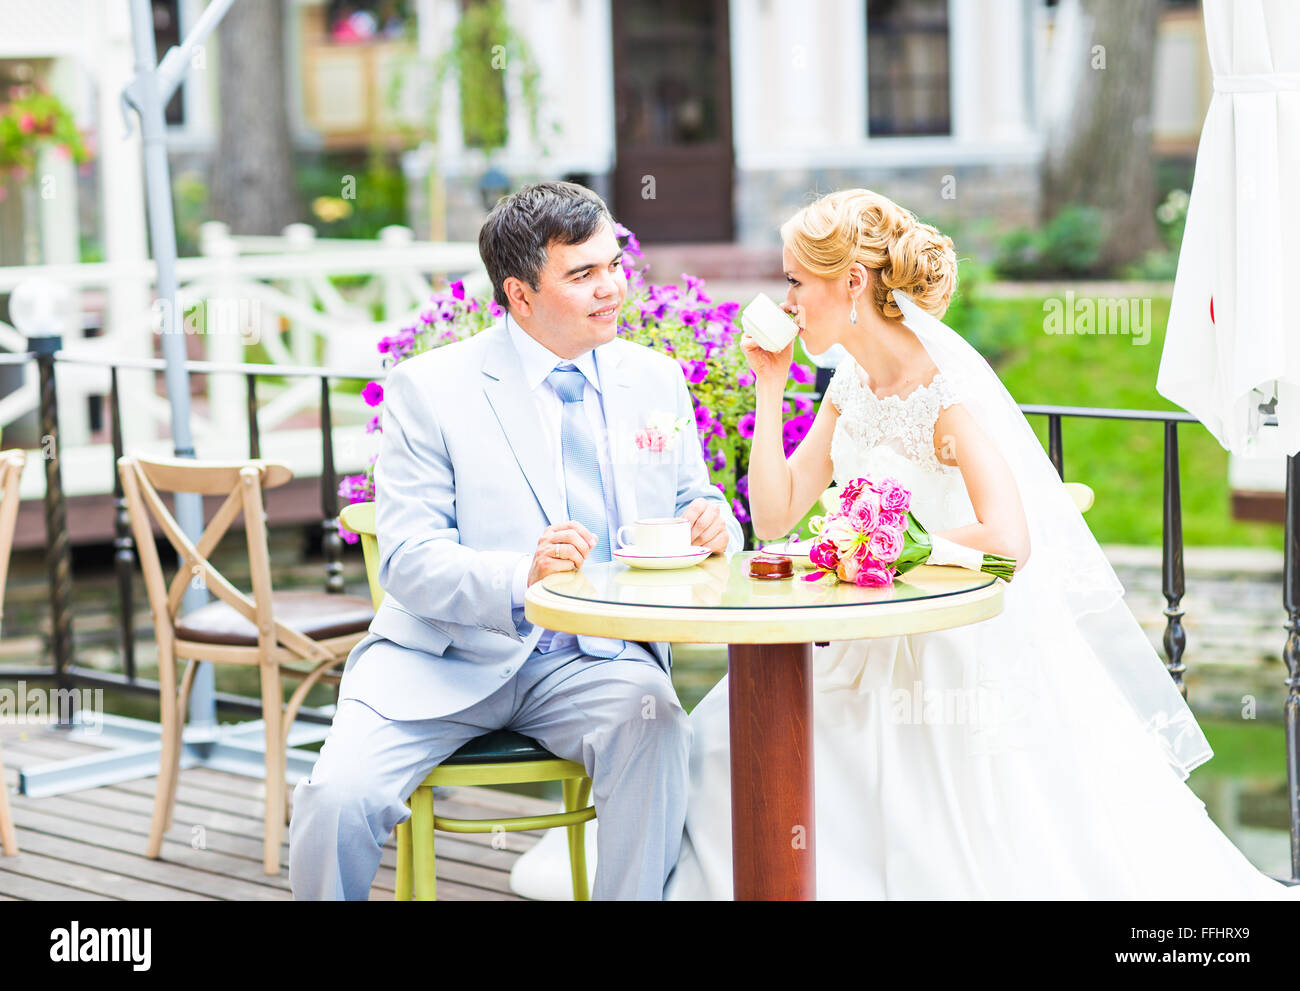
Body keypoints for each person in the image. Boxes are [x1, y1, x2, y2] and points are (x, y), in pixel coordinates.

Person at [664, 188, 1299, 899]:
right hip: (857, 640)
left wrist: (885, 546)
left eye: (793, 281)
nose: (784, 300)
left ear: (849, 283)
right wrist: (770, 388)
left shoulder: (947, 392)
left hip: (946, 647)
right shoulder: (850, 382)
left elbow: (1009, 537)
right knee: (723, 738)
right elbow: (776, 516)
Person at [288, 181, 743, 900]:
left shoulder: (654, 380)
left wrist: (718, 519)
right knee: (336, 798)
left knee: (657, 727)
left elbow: (693, 497)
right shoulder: (429, 388)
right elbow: (408, 560)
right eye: (583, 274)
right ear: (520, 294)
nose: (611, 289)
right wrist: (521, 575)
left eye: (613, 264)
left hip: (590, 663)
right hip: (439, 659)